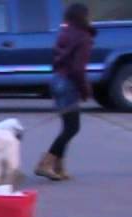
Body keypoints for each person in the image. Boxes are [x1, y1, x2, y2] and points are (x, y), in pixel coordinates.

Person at [37, 3, 96, 182]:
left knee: (68, 126)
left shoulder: (64, 33)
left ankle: (58, 166)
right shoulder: (83, 37)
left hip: (57, 80)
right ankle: (46, 163)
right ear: (82, 17)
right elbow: (78, 69)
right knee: (72, 127)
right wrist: (85, 89)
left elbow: (56, 58)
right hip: (69, 83)